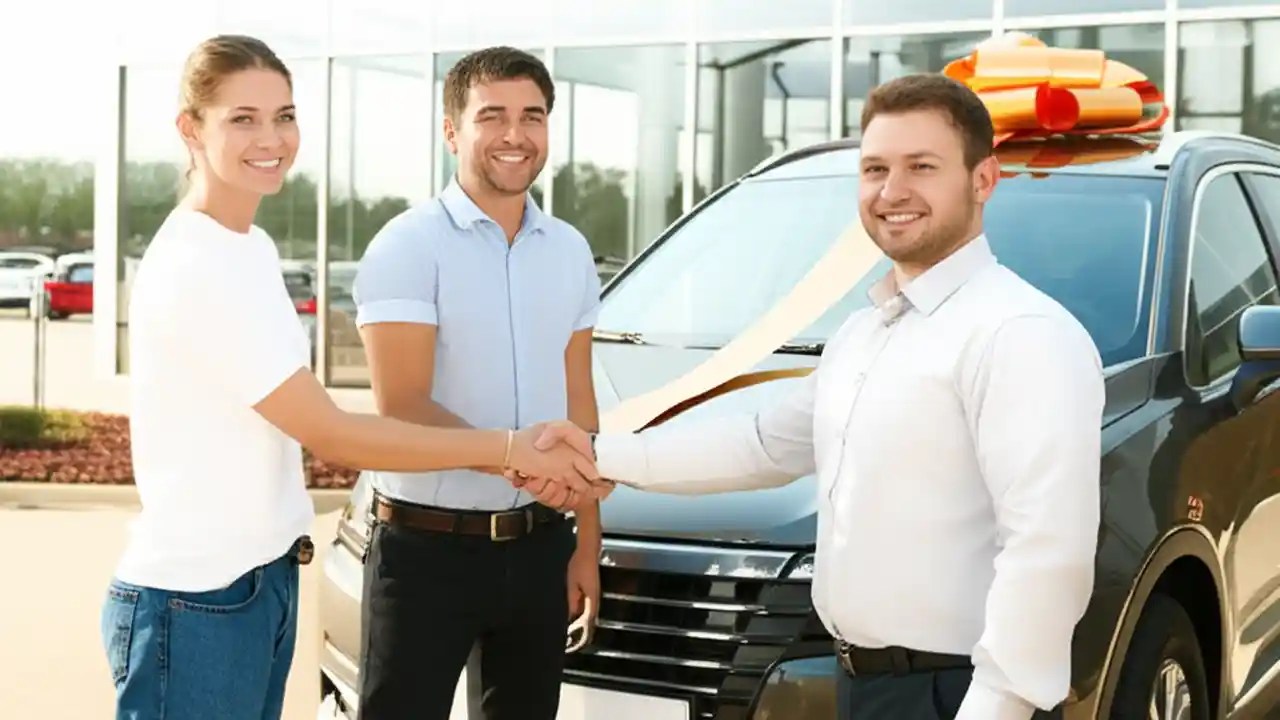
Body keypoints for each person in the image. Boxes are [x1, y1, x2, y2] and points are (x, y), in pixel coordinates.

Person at [533, 73, 1105, 720]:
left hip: (958, 694)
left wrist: (995, 706)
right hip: (866, 685)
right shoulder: (865, 333)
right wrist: (596, 454)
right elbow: (761, 443)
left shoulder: (1021, 333)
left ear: (983, 180)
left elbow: (1046, 550)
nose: (892, 191)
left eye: (922, 167)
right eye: (875, 169)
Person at [98, 35, 604, 720]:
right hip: (195, 595)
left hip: (255, 581)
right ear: (191, 129)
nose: (271, 138)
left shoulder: (247, 247)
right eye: (243, 118)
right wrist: (514, 451)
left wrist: (579, 523)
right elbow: (334, 432)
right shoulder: (198, 264)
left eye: (283, 115)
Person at [349, 46, 605, 720]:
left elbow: (579, 405)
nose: (515, 134)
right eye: (492, 116)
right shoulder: (407, 245)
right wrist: (518, 458)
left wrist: (587, 542)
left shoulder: (571, 251)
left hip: (540, 550)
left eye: (533, 116)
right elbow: (402, 405)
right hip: (424, 555)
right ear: (451, 131)